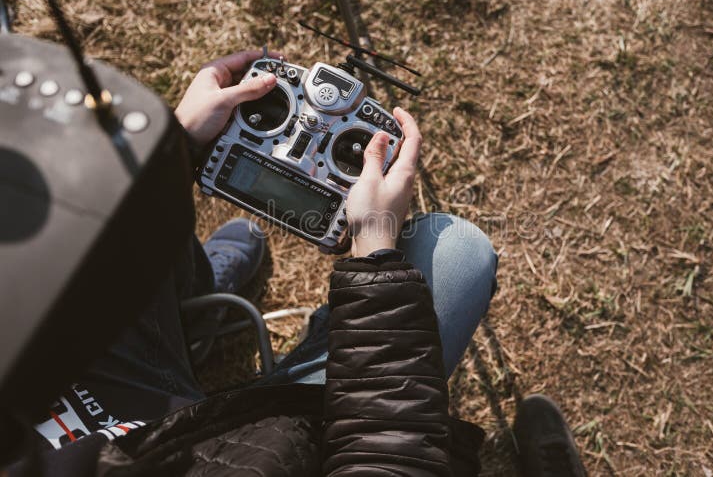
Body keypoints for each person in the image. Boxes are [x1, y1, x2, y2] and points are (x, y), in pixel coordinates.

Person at [10, 50, 498, 476]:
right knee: (456, 249)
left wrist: (174, 151)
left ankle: (190, 316)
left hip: (79, 379)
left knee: (100, 254)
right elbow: (388, 457)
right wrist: (373, 247)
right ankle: (223, 326)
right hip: (252, 449)